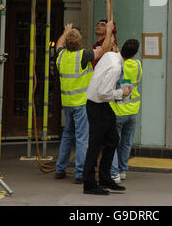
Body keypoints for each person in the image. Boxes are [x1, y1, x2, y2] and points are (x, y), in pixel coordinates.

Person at [55, 21, 114, 183]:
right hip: (81, 103)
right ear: (80, 43)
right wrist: (108, 31)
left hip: (66, 103)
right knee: (82, 138)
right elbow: (105, 49)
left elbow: (58, 44)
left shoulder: (60, 55)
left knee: (67, 135)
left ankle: (60, 169)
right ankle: (80, 173)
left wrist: (66, 31)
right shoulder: (83, 55)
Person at [83, 40, 137, 195]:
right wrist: (122, 93)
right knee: (95, 144)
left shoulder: (109, 55)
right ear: (133, 55)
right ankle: (89, 184)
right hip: (97, 104)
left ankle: (105, 177)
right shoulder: (116, 67)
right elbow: (104, 92)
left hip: (99, 104)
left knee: (113, 138)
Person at [110, 39, 142, 183]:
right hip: (133, 110)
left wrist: (115, 53)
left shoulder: (117, 64)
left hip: (118, 110)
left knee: (112, 143)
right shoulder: (137, 65)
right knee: (126, 143)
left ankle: (114, 172)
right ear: (135, 53)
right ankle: (123, 170)